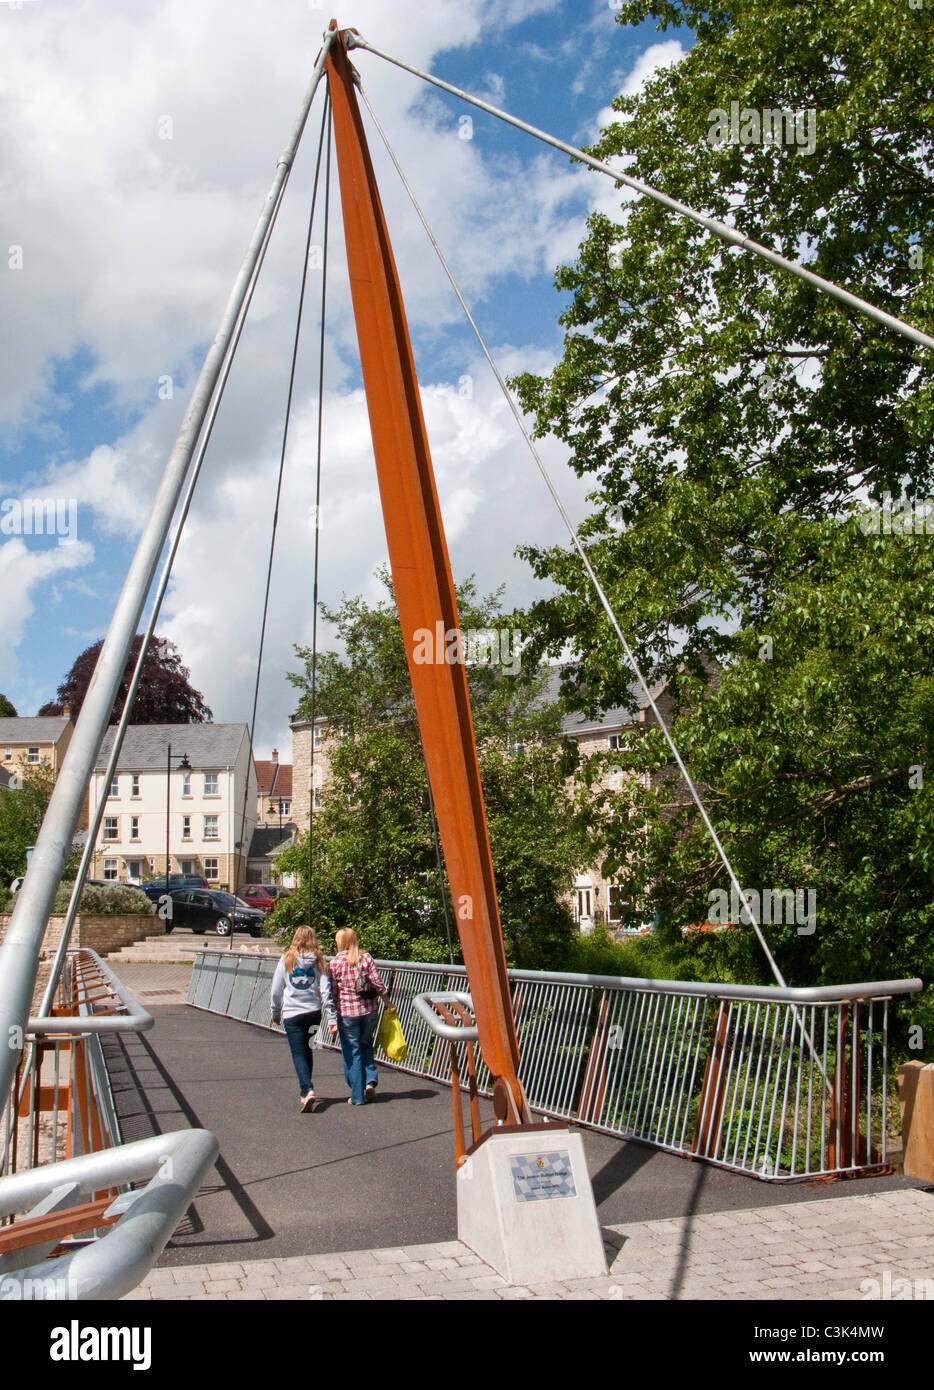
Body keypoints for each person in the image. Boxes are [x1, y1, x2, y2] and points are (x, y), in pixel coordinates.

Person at [327, 927, 393, 1105]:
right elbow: (378, 983)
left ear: (340, 942)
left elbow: (332, 991)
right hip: (369, 1011)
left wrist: (333, 1013)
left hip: (347, 1013)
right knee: (366, 1044)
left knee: (353, 1052)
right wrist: (388, 1003)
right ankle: (370, 1081)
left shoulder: (335, 963)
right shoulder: (366, 958)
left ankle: (357, 1095)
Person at [270, 926, 331, 1112]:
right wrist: (331, 1015)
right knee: (308, 1050)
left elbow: (276, 990)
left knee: (298, 1053)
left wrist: (275, 1012)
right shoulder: (319, 960)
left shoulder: (287, 959)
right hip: (313, 1012)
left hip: (292, 1013)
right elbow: (325, 989)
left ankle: (307, 1089)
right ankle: (306, 1089)